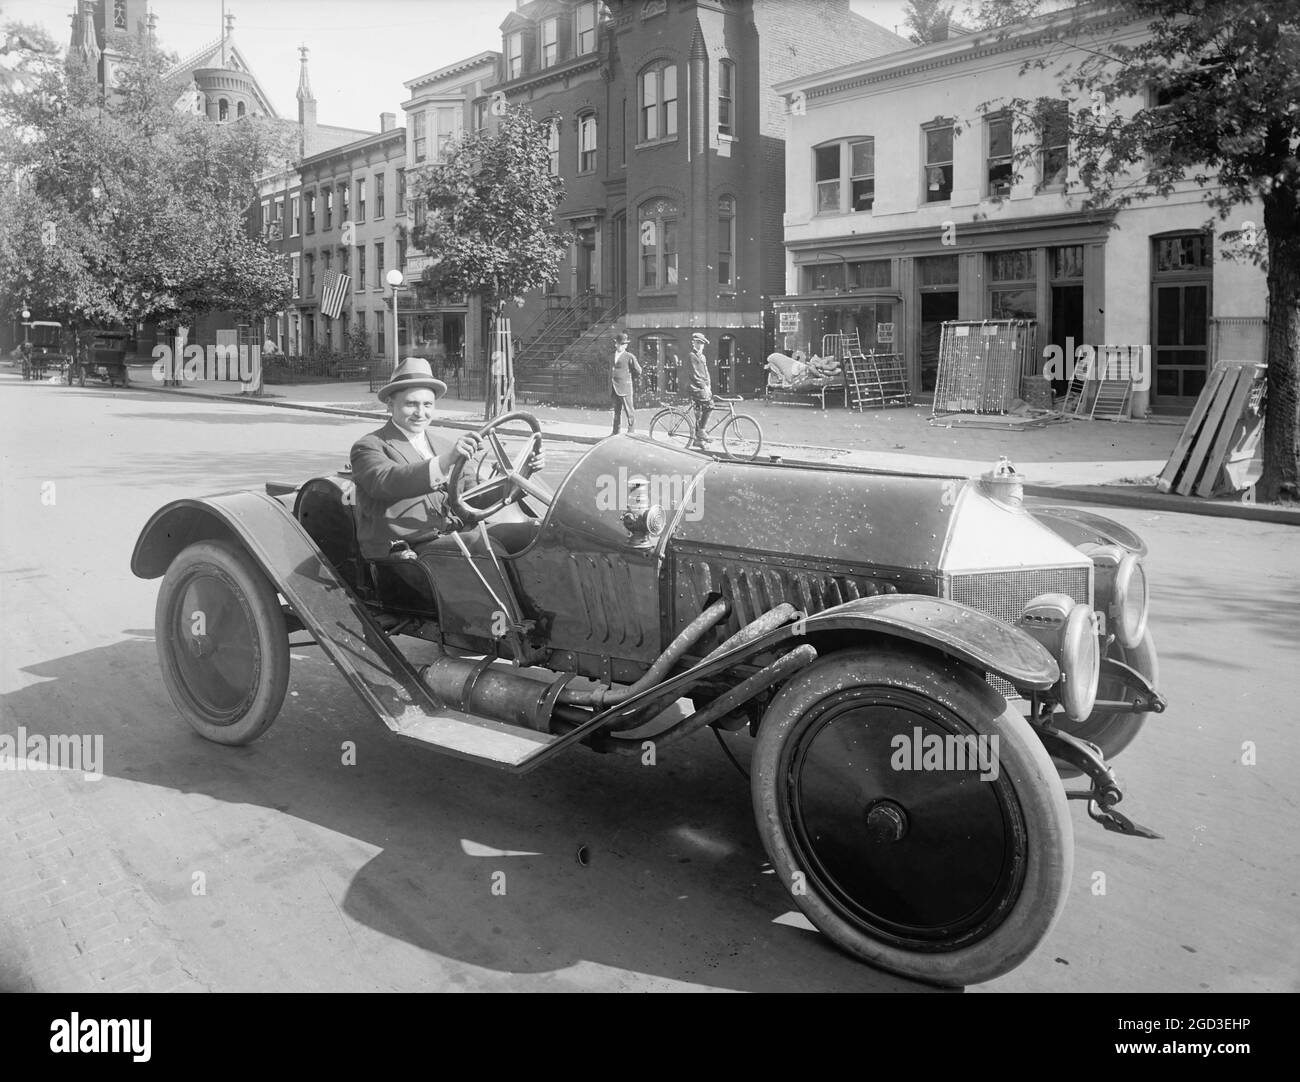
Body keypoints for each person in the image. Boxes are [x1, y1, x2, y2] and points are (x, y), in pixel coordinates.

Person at [349, 357, 544, 560]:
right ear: (390, 404)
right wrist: (444, 462)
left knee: (539, 532)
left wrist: (523, 474)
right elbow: (387, 481)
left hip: (454, 536)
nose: (420, 413)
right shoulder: (369, 446)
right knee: (480, 546)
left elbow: (473, 495)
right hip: (406, 550)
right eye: (411, 404)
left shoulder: (442, 445)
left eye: (427, 404)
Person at [609, 332, 642, 435]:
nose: (619, 346)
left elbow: (638, 370)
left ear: (626, 345)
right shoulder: (612, 355)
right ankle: (615, 432)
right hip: (614, 387)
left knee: (629, 411)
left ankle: (631, 432)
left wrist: (628, 379)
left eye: (622, 344)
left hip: (625, 388)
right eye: (618, 344)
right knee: (616, 411)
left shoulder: (629, 356)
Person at [685, 332, 713, 447]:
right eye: (698, 342)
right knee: (710, 405)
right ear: (693, 343)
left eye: (702, 343)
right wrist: (704, 386)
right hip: (694, 387)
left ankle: (698, 440)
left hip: (701, 387)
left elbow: (706, 373)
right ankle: (701, 430)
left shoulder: (702, 356)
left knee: (699, 414)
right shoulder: (692, 355)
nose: (700, 345)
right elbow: (694, 375)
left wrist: (709, 385)